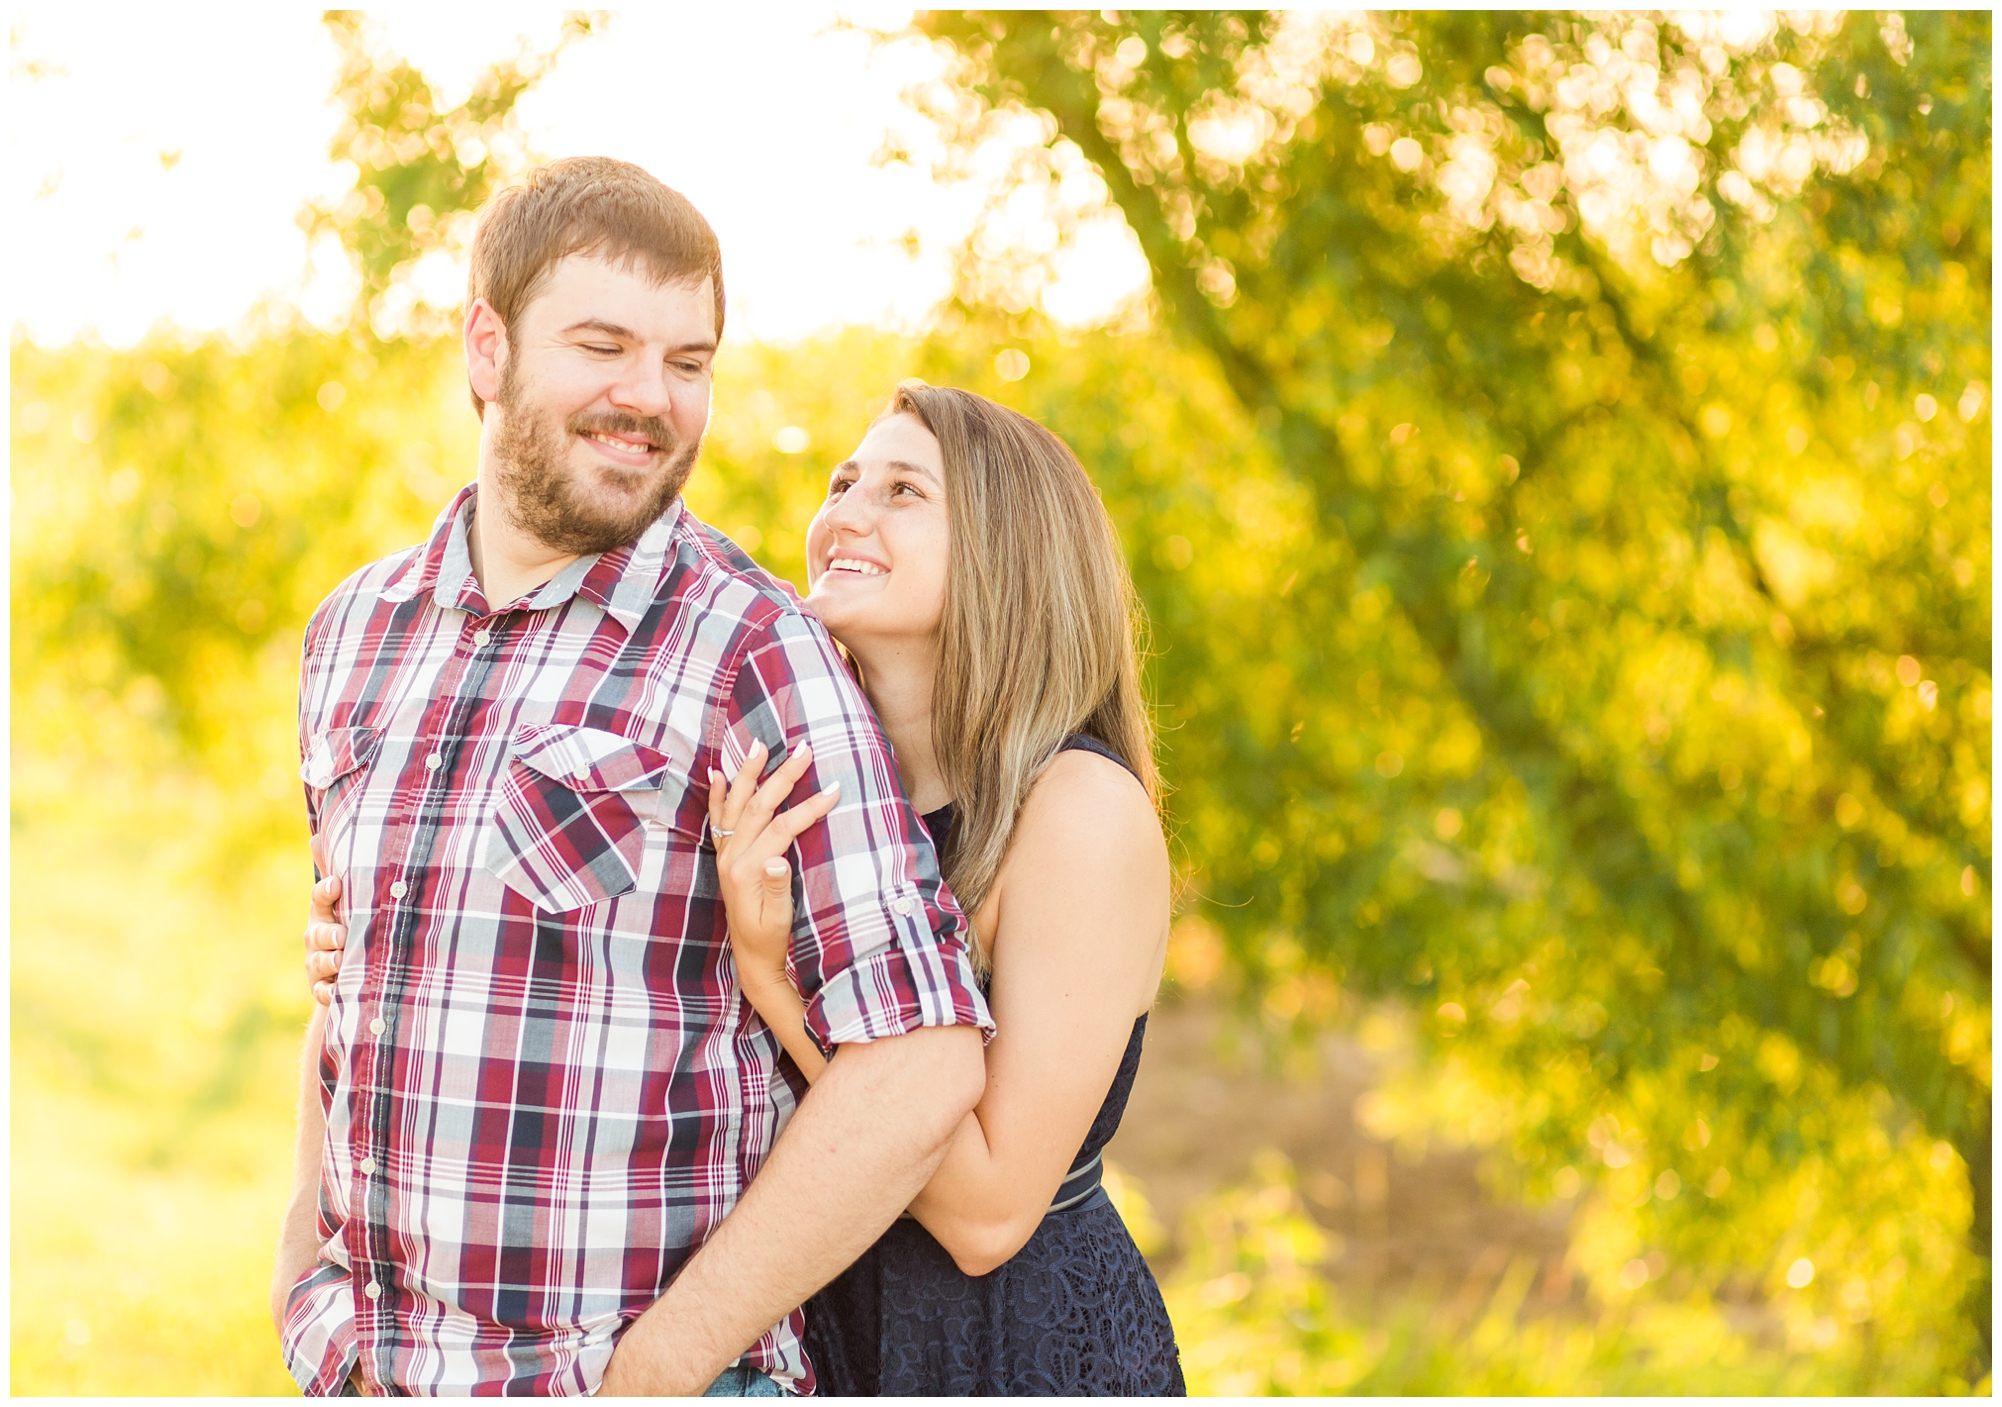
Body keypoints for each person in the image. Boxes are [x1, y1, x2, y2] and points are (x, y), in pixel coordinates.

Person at [272, 155, 993, 1397]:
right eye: (603, 346)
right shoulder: (357, 630)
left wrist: (658, 1371)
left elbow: (920, 1065)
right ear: (488, 348)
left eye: (687, 362)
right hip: (366, 1370)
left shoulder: (752, 650)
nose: (648, 397)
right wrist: (302, 1274)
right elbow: (358, 984)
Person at [307, 383, 1187, 1393]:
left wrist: (772, 982)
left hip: (1002, 1347)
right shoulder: (811, 778)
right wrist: (360, 931)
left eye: (902, 491)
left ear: (1010, 551)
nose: (844, 514)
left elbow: (987, 1213)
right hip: (807, 1318)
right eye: (842, 483)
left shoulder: (1078, 811)